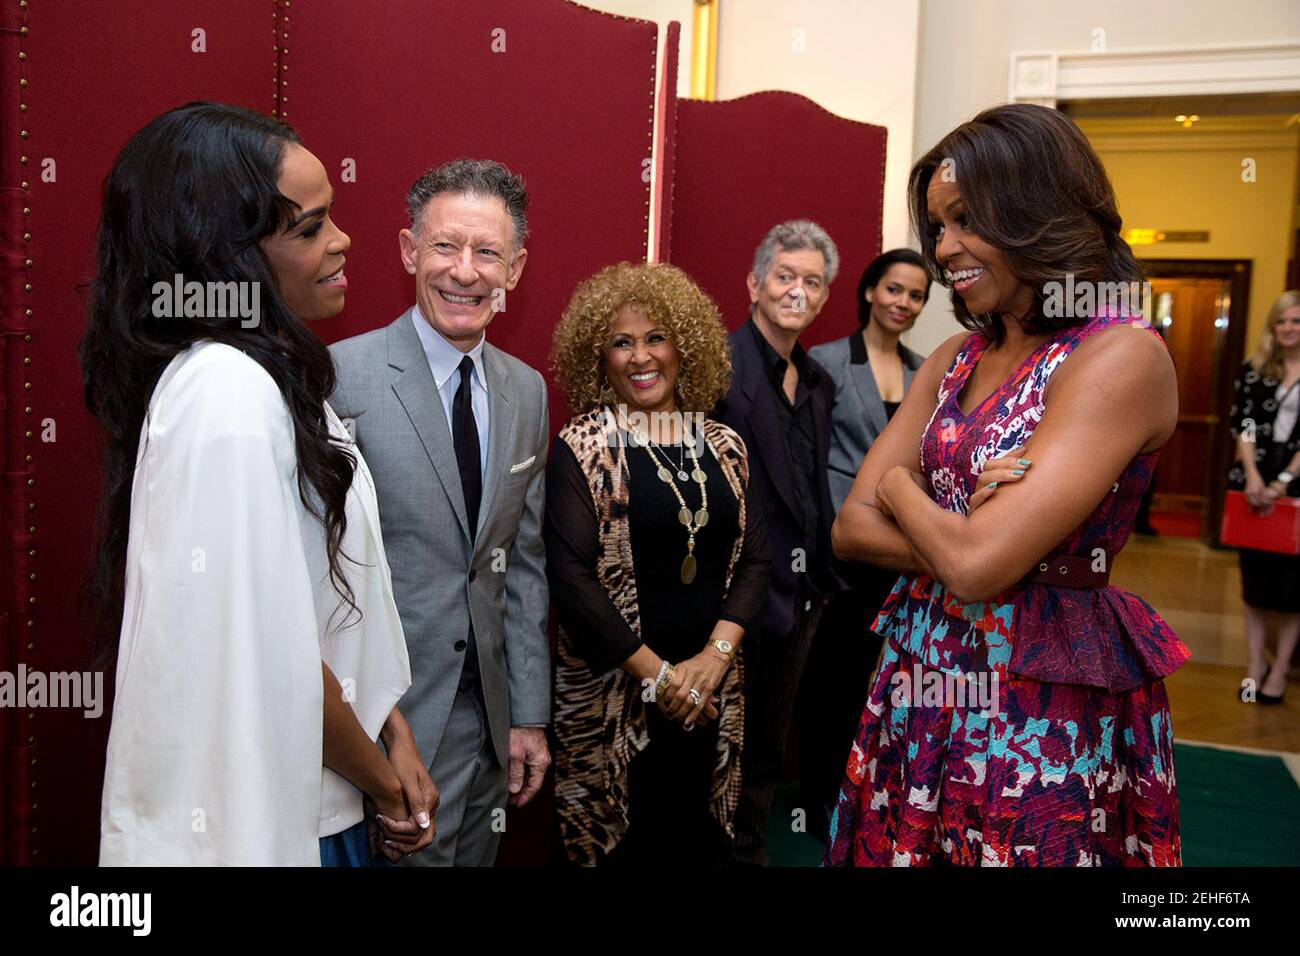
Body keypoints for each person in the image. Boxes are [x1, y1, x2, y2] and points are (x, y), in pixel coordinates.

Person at [826, 103, 1189, 867]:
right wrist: (955, 523)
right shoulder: (957, 353)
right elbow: (849, 529)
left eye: (965, 220)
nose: (943, 250)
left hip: (1035, 690)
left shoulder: (1118, 353)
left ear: (1038, 212)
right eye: (938, 227)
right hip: (920, 671)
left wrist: (900, 487)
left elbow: (977, 567)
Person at [84, 102, 434, 866]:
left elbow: (329, 603)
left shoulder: (267, 379)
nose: (342, 242)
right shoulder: (225, 391)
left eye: (330, 217)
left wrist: (390, 731)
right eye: (308, 229)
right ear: (226, 261)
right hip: (288, 819)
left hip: (326, 790)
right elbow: (272, 651)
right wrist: (382, 783)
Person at [329, 159, 551, 866]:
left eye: (487, 252)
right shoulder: (336, 378)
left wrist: (525, 715)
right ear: (407, 251)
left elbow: (522, 566)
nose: (465, 271)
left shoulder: (528, 392)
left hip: (485, 726)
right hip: (371, 723)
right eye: (445, 246)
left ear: (514, 268)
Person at [546, 263, 770, 866]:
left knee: (698, 844)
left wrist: (712, 661)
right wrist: (661, 678)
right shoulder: (583, 446)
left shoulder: (725, 446)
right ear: (599, 357)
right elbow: (571, 580)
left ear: (684, 346)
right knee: (626, 848)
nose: (640, 357)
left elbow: (755, 560)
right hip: (619, 695)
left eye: (655, 337)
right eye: (621, 341)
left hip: (711, 691)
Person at [713, 219, 841, 865]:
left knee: (766, 745)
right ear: (755, 283)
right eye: (785, 276)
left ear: (823, 297)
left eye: (811, 282)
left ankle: (749, 854)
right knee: (715, 746)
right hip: (731, 596)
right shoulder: (718, 367)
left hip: (802, 599)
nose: (797, 290)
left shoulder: (818, 383)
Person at [800, 248, 929, 839]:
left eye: (917, 295)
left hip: (904, 546)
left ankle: (874, 787)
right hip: (841, 542)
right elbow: (809, 459)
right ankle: (823, 791)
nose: (904, 303)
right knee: (834, 673)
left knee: (891, 675)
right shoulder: (824, 363)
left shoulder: (925, 369)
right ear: (870, 291)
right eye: (894, 289)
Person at [1228, 290, 1300, 704]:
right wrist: (1254, 476)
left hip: (1294, 487)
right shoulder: (1255, 371)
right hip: (1253, 485)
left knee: (1292, 592)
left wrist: (1283, 482)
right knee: (1254, 586)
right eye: (1281, 321)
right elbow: (1245, 426)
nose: (1288, 329)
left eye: (1295, 322)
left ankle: (1282, 669)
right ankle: (1255, 666)